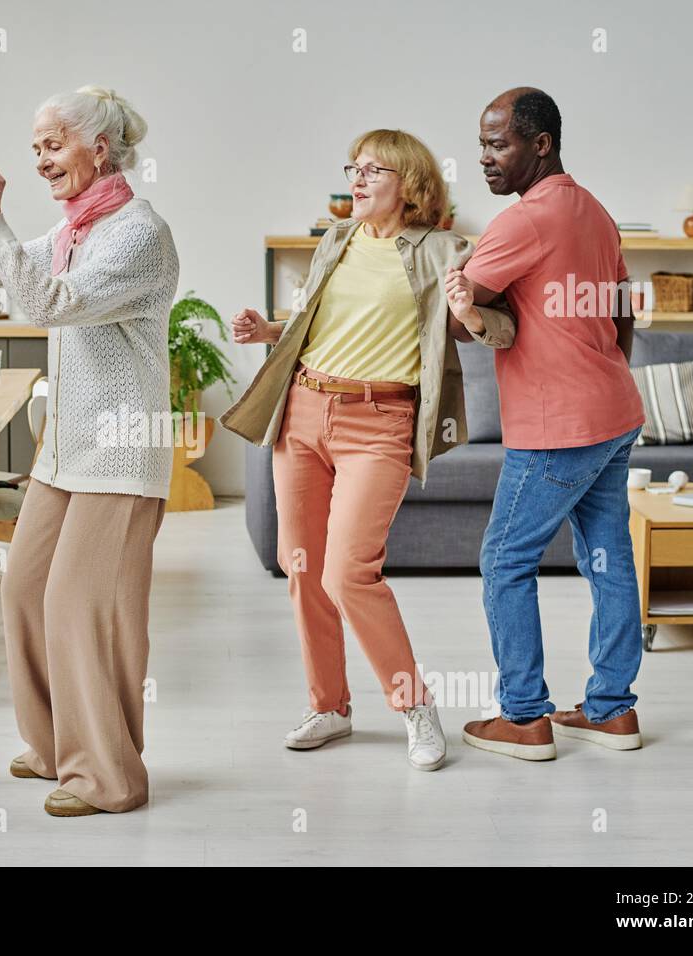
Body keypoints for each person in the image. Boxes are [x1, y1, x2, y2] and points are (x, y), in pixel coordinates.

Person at [220, 129, 515, 770]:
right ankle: (329, 705)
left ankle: (414, 707)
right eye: (352, 167)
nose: (356, 179)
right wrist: (271, 331)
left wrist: (469, 314)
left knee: (348, 572)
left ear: (409, 185)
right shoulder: (336, 240)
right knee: (300, 565)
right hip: (303, 409)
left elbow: (501, 328)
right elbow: (319, 326)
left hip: (379, 421)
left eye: (373, 170)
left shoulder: (445, 251)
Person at [0, 86, 179, 816]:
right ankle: (53, 744)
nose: (41, 158)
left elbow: (45, 305)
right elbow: (11, 272)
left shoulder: (136, 232)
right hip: (66, 450)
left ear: (100, 148)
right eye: (36, 145)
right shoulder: (79, 229)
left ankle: (108, 775)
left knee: (81, 605)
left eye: (53, 143)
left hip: (120, 452)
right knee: (26, 587)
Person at [454, 87, 646, 761]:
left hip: (559, 427)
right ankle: (613, 710)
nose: (484, 157)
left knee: (504, 561)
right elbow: (625, 309)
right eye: (481, 144)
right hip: (616, 413)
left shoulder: (524, 220)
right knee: (607, 557)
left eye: (498, 143)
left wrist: (456, 284)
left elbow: (460, 310)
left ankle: (525, 717)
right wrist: (601, 372)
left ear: (541, 144)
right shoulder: (594, 210)